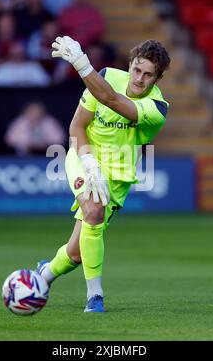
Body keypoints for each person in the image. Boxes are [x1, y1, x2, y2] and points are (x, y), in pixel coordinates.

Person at [36, 35, 170, 312]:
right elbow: (76, 128)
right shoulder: (107, 75)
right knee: (94, 209)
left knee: (76, 253)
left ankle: (44, 275)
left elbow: (108, 98)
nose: (140, 79)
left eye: (148, 75)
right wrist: (90, 164)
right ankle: (95, 296)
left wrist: (82, 64)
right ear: (130, 64)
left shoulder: (157, 108)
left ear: (157, 79)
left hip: (118, 176)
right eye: (136, 70)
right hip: (84, 156)